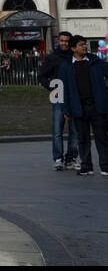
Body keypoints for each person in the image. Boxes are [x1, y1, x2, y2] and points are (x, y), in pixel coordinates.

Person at [57, 37, 108, 176]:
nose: (84, 47)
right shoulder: (66, 66)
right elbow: (62, 89)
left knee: (102, 137)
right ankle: (86, 165)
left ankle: (105, 166)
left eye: (85, 44)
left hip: (97, 106)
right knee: (82, 138)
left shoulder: (95, 62)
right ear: (73, 48)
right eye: (81, 45)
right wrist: (65, 109)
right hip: (78, 107)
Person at [41, 31, 82, 170]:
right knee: (57, 129)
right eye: (62, 40)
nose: (64, 43)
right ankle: (58, 158)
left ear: (70, 43)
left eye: (66, 41)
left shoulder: (75, 57)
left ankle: (71, 158)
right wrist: (52, 88)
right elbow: (41, 76)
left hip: (74, 97)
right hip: (58, 96)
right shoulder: (52, 57)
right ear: (58, 41)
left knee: (74, 130)